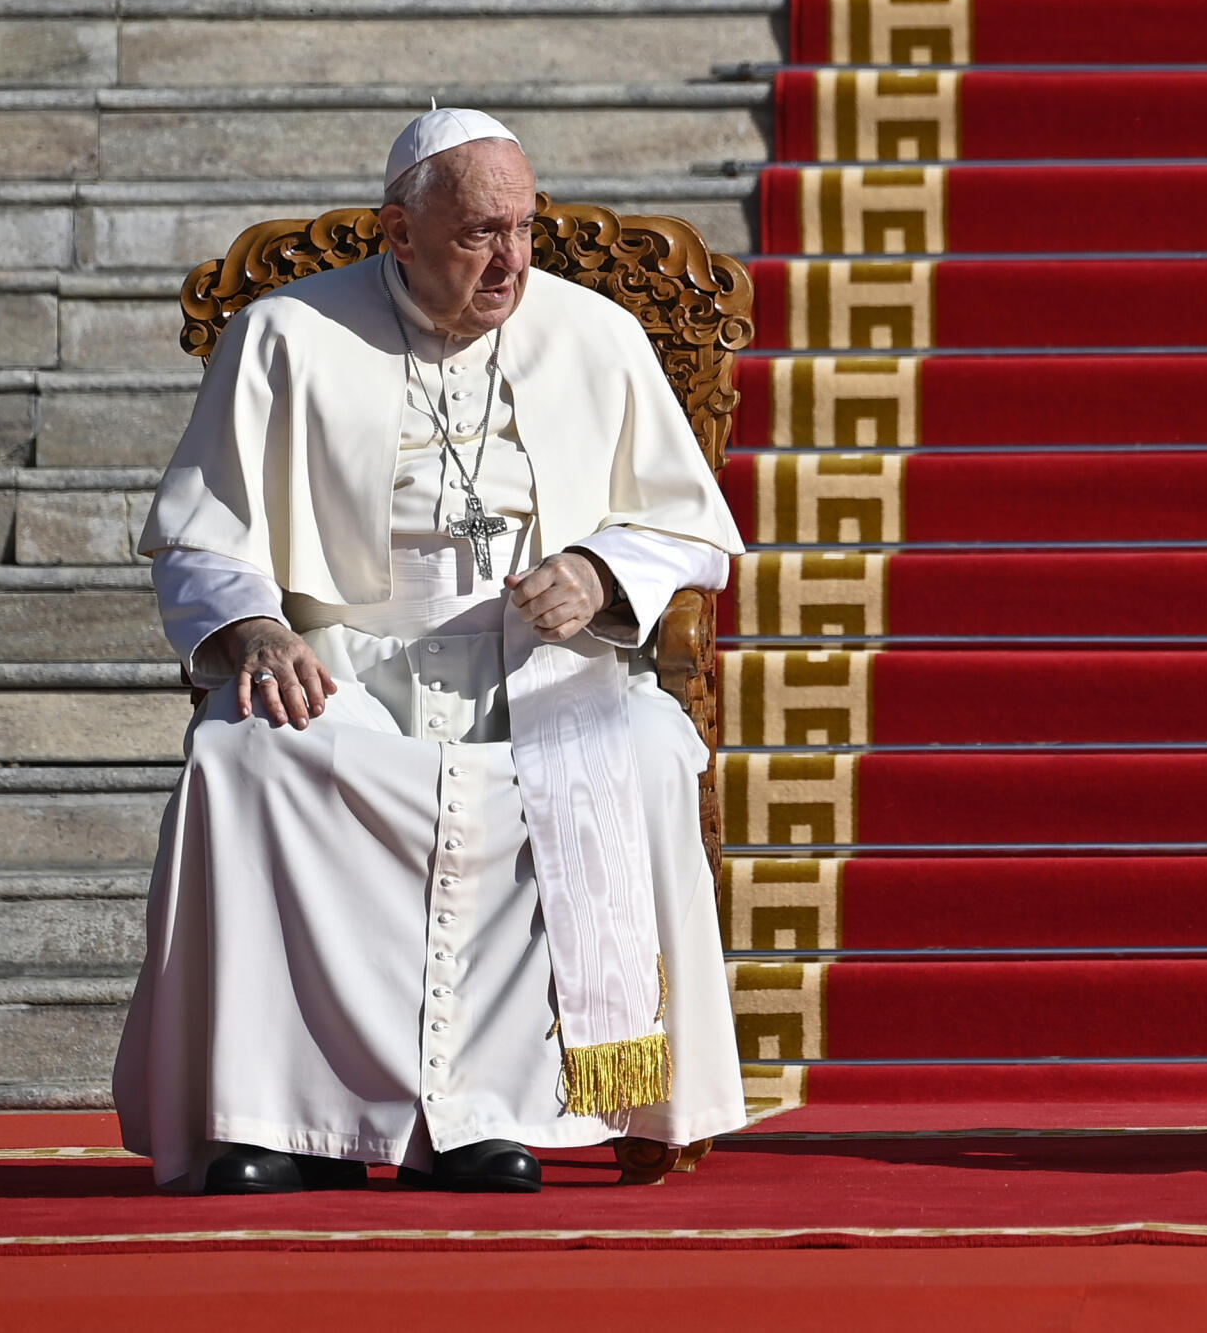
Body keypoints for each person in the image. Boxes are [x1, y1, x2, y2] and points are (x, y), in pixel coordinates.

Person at [115, 109, 749, 1194]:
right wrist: (255, 626)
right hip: (346, 655)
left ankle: (493, 1118)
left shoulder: (595, 333)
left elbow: (693, 528)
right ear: (397, 231)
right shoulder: (287, 333)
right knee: (246, 759)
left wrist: (601, 570)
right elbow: (197, 530)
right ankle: (279, 1119)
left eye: (523, 230)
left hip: (544, 660)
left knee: (640, 751)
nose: (510, 261)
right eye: (477, 235)